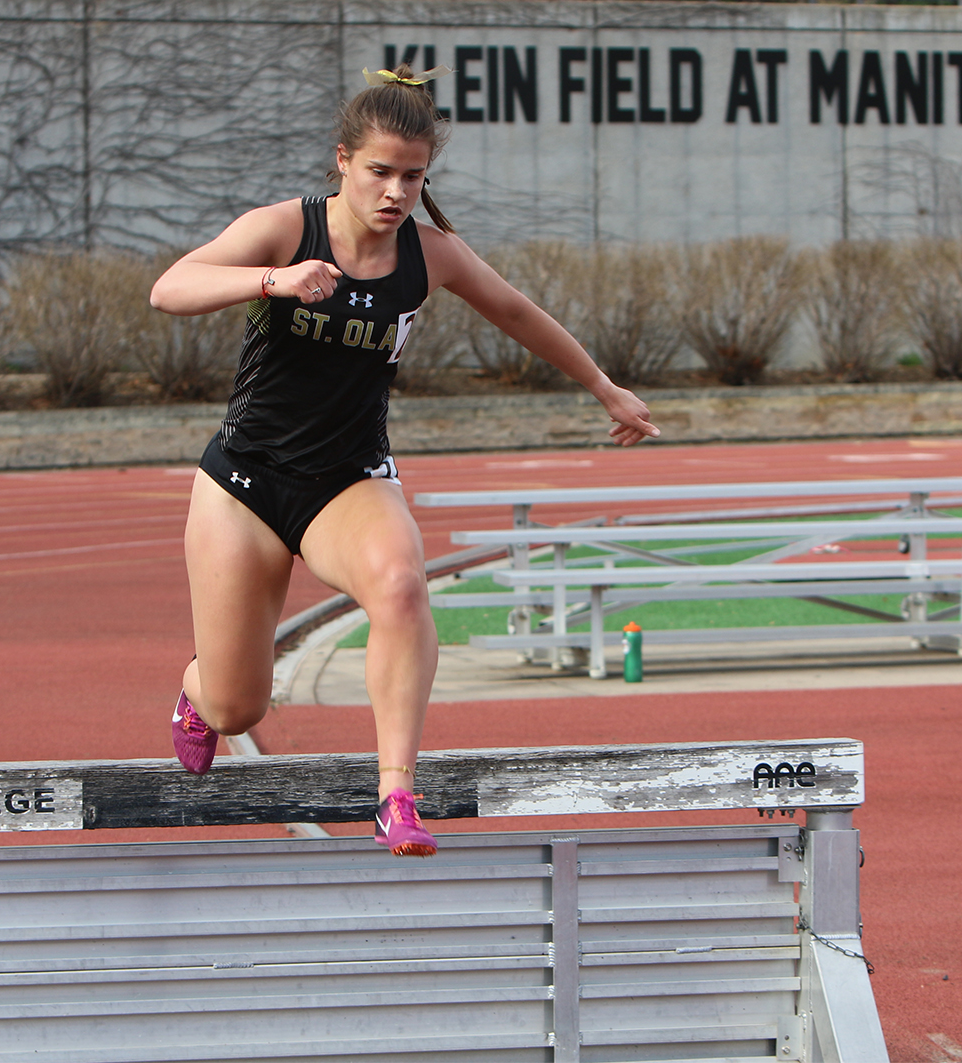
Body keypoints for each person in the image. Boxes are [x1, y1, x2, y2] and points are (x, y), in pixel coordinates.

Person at [149, 65, 660, 857]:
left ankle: (395, 794)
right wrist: (273, 281)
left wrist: (603, 386)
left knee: (401, 584)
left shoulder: (432, 255)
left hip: (348, 481)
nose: (395, 191)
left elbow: (517, 311)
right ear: (344, 160)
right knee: (237, 707)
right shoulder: (289, 227)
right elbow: (171, 288)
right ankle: (197, 692)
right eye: (380, 171)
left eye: (413, 176)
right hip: (244, 486)